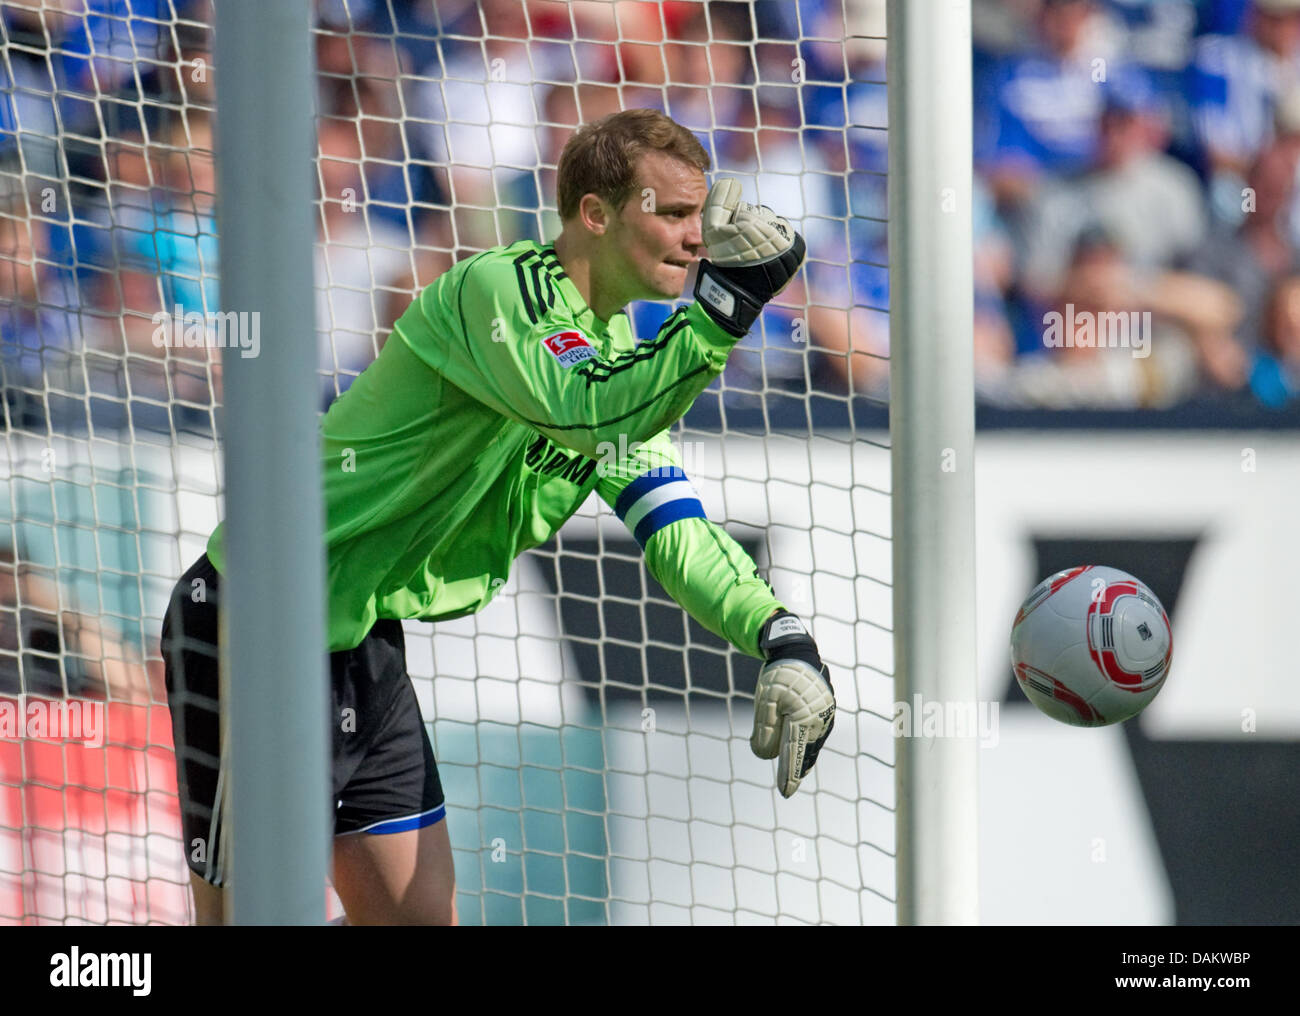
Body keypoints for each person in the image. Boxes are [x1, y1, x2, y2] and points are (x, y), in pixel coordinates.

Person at [161, 108, 836, 926]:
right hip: (259, 621)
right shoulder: (500, 291)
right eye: (671, 212)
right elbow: (585, 410)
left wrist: (780, 634)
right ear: (594, 213)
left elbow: (677, 527)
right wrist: (723, 312)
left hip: (362, 645)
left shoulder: (622, 366)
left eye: (702, 216)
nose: (697, 240)